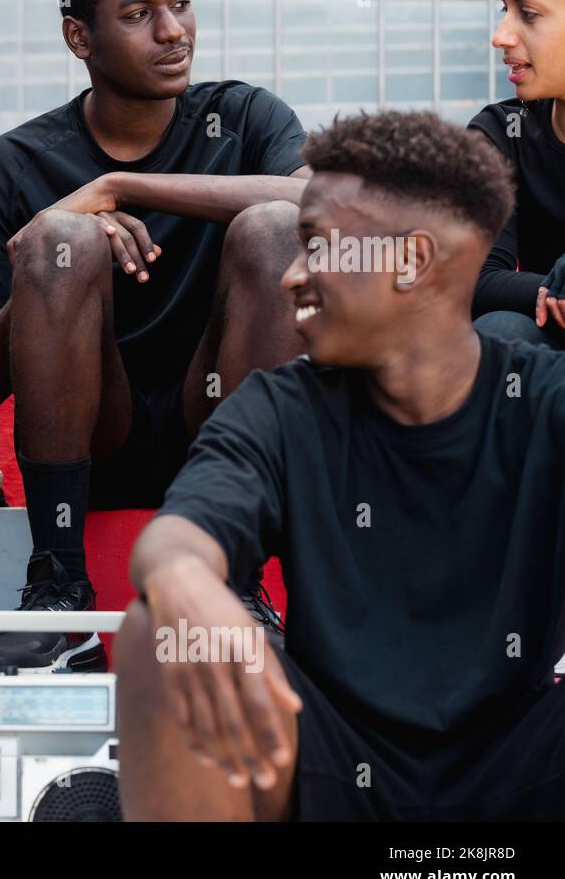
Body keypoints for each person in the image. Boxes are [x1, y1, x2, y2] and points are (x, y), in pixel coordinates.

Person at [118, 110, 565, 821]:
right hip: (331, 760)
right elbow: (182, 532)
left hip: (521, 768)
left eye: (317, 247)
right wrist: (181, 579)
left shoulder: (541, 402)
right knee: (160, 634)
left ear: (413, 261)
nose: (292, 276)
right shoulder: (281, 409)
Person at [0, 0, 311, 673]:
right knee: (62, 241)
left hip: (213, 419)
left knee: (275, 224)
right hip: (96, 433)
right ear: (78, 36)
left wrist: (117, 186)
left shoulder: (244, 118)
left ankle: (232, 580)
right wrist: (57, 234)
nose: (172, 30)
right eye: (137, 14)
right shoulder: (16, 160)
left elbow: (319, 206)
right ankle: (58, 591)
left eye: (180, 3)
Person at [470, 0, 565, 349]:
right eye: (504, 10)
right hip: (547, 356)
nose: (500, 35)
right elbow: (477, 277)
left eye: (527, 13)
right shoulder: (500, 134)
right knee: (502, 332)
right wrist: (553, 291)